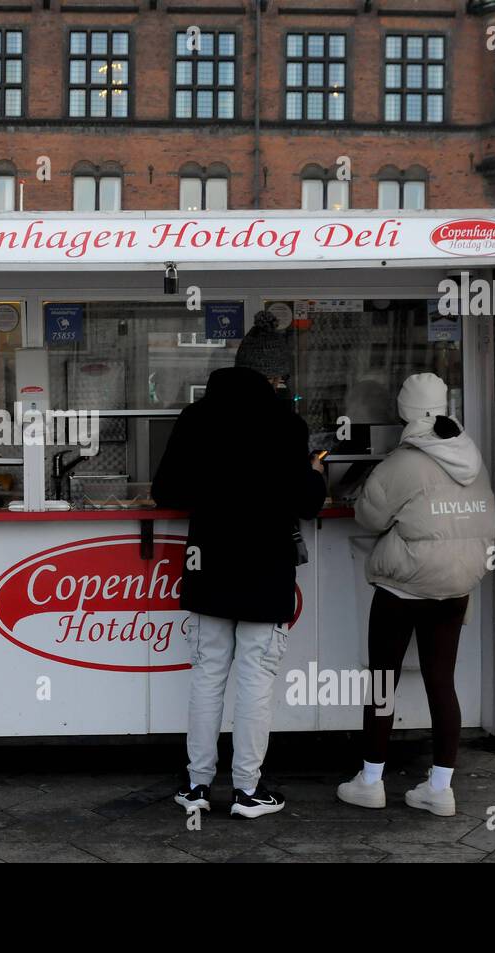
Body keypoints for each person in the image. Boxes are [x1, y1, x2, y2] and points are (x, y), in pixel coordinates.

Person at [153, 319, 327, 819]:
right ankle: (248, 791)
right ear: (271, 376)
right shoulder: (285, 425)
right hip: (265, 567)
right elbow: (307, 503)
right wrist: (314, 474)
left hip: (209, 562)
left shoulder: (197, 417)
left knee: (208, 675)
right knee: (256, 677)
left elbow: (167, 491)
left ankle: (197, 786)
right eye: (280, 377)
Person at [337, 373, 495, 818]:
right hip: (457, 585)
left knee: (382, 681)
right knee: (441, 682)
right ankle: (440, 789)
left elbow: (368, 517)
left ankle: (371, 782)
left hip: (403, 586)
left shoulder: (401, 463)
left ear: (404, 412)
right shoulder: (473, 458)